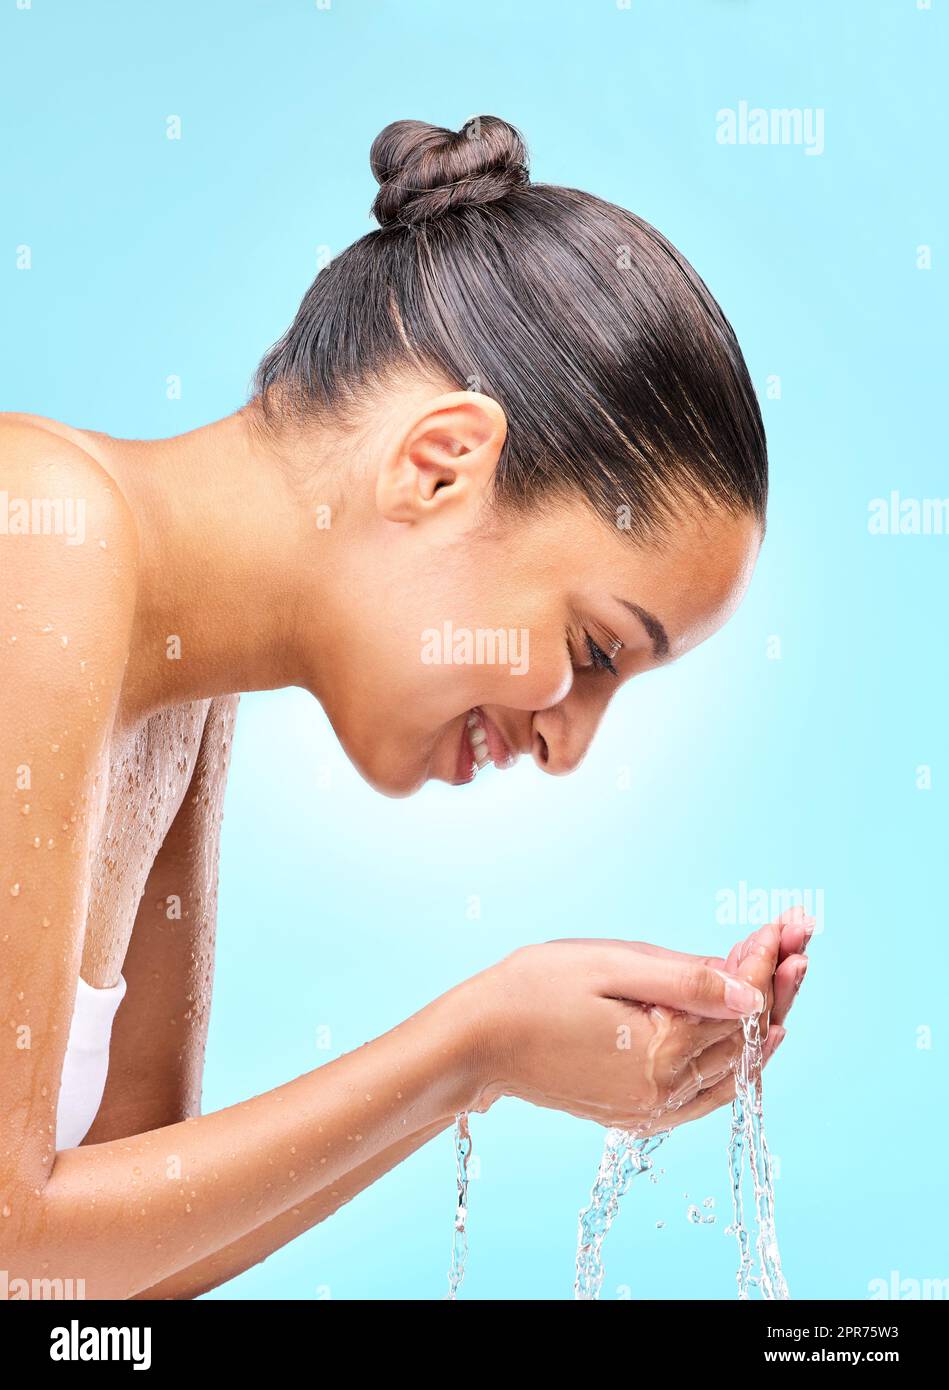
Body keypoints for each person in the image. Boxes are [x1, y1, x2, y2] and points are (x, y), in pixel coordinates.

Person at [0, 116, 810, 1299]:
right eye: (589, 648)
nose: (565, 741)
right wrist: (472, 1044)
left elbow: (106, 1279)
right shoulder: (41, 536)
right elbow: (15, 1222)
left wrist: (492, 1063)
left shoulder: (181, 693)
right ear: (437, 463)